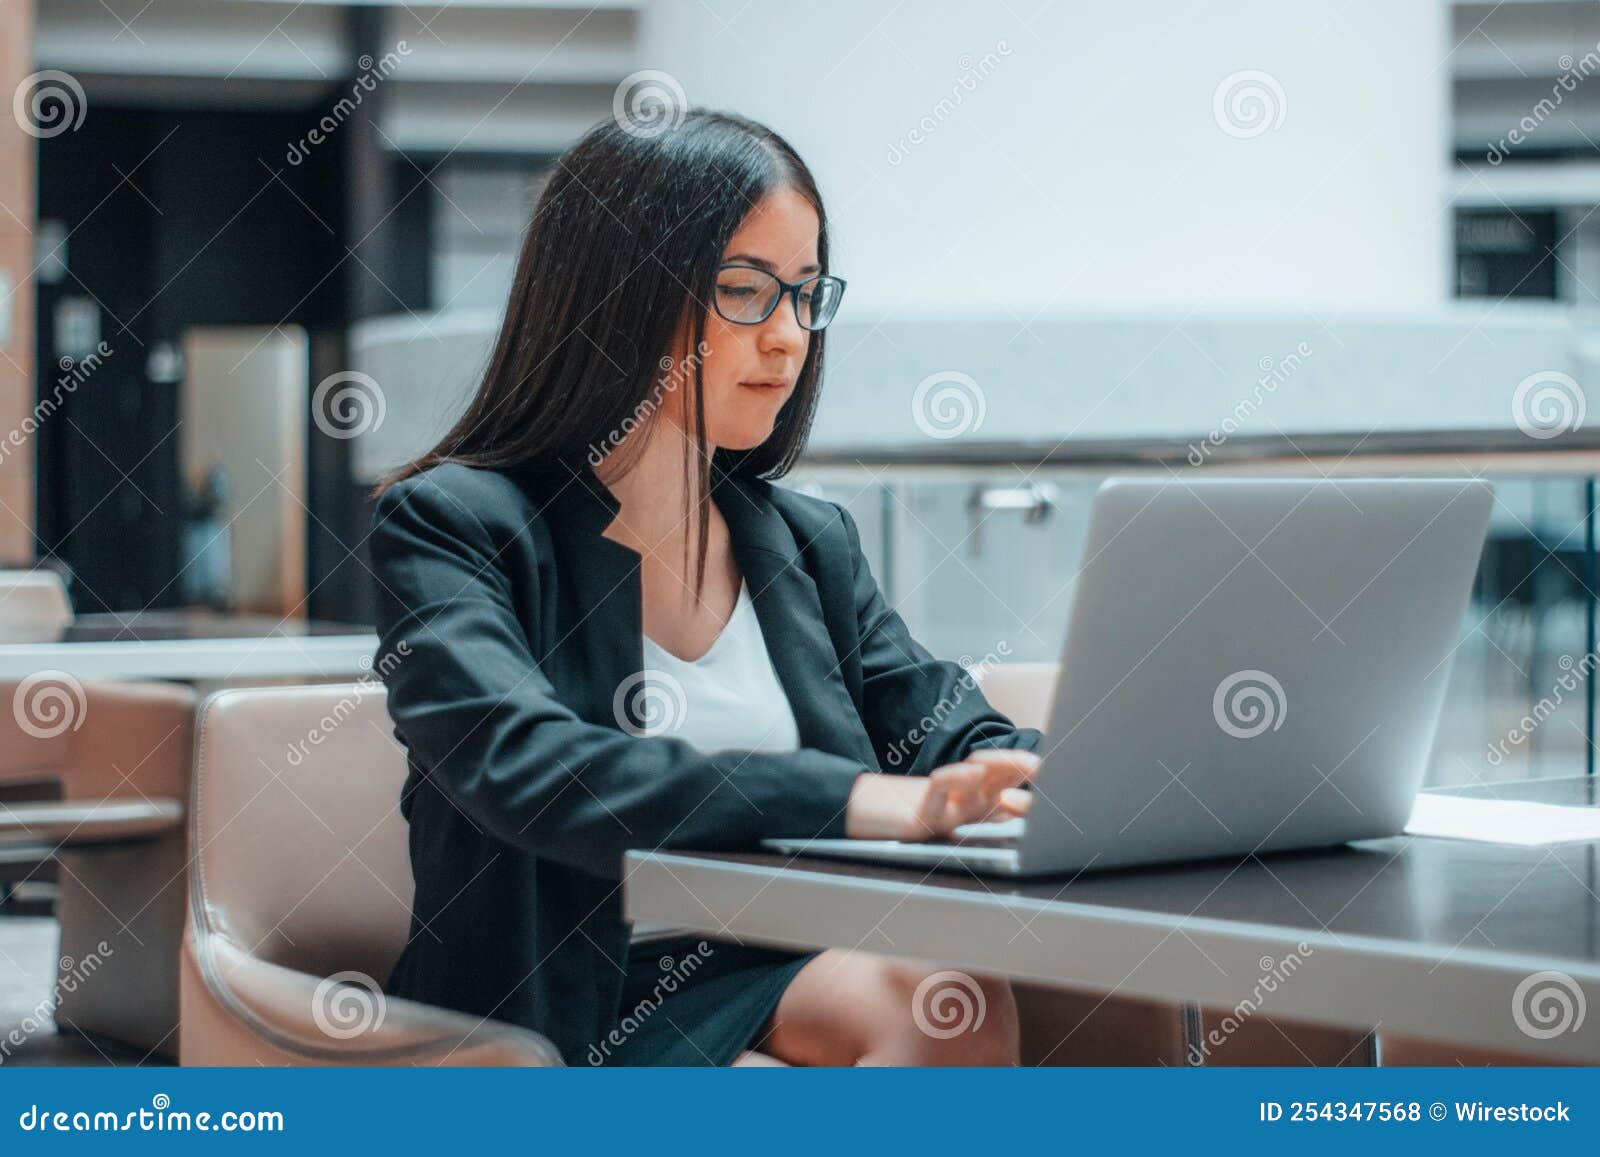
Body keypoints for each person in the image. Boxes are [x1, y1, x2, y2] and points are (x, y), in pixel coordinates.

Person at [369, 108, 1041, 1066]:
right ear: (620, 295)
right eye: (744, 291)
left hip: (769, 970)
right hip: (554, 1010)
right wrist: (857, 800)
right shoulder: (452, 523)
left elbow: (939, 722)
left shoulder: (805, 540)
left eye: (805, 295)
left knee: (948, 994)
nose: (787, 337)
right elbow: (528, 764)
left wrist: (1044, 777)